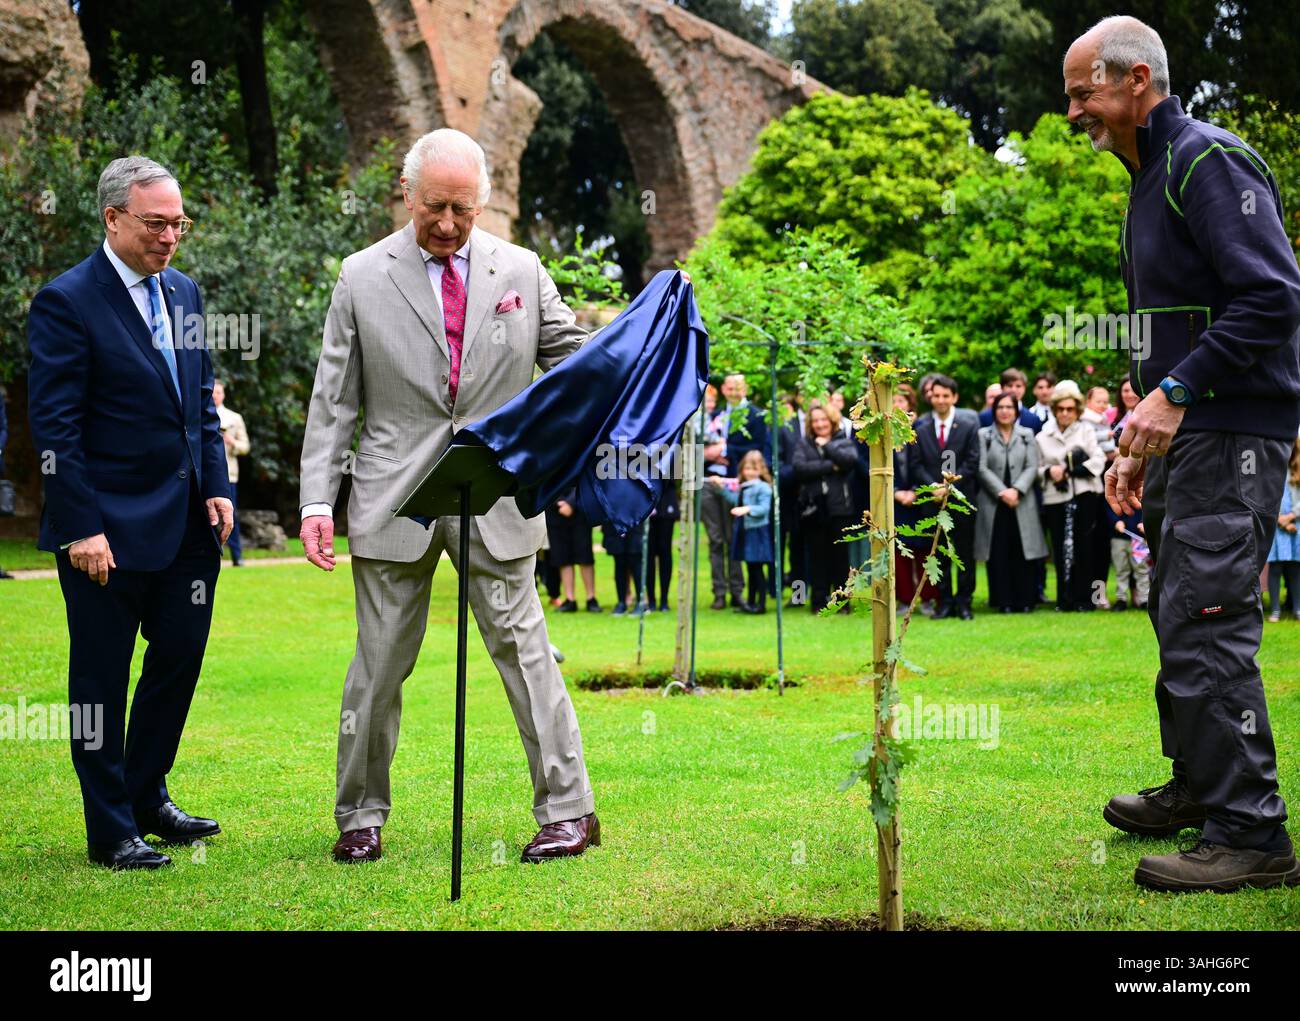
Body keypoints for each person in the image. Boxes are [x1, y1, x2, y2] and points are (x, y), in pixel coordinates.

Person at [299, 129, 598, 865]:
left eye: (463, 209)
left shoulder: (523, 270)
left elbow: (578, 361)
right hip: (391, 498)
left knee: (529, 655)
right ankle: (359, 814)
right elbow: (333, 401)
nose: (447, 223)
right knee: (377, 668)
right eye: (435, 206)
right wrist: (315, 501)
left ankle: (569, 810)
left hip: (494, 497)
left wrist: (648, 342)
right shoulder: (361, 275)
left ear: (482, 204)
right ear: (408, 194)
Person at [1068, 16, 1300, 890]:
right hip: (1187, 433)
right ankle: (1202, 787)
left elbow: (1274, 300)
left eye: (1082, 91)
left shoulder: (1209, 162)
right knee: (1177, 611)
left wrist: (1175, 394)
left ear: (1135, 79)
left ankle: (1252, 832)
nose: (1073, 111)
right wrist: (1140, 434)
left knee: (1209, 618)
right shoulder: (1149, 179)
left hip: (1233, 432)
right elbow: (1180, 329)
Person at [26, 156, 234, 870]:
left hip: (186, 528)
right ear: (113, 218)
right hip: (104, 531)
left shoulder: (184, 292)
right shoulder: (66, 301)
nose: (171, 235)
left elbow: (199, 404)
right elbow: (55, 428)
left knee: (177, 661)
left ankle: (148, 794)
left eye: (178, 222)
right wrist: (81, 524)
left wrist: (218, 484)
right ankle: (110, 826)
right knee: (100, 681)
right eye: (156, 222)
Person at [906, 374, 981, 619]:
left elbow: (972, 461)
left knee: (964, 553)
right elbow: (915, 465)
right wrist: (933, 487)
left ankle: (964, 602)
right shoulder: (921, 427)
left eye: (945, 396)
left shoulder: (969, 425)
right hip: (933, 502)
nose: (940, 400)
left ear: (954, 397)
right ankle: (945, 601)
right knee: (938, 552)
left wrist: (950, 487)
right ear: (930, 397)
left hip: (961, 499)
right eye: (936, 395)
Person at [975, 391, 1047, 612]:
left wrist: (1016, 490)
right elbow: (981, 467)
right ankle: (1002, 601)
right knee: (998, 552)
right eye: (1000, 407)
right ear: (994, 411)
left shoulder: (1027, 434)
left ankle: (1025, 600)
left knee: (1023, 551)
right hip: (994, 502)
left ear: (1017, 411)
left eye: (1009, 407)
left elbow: (1032, 466)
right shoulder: (983, 435)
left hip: (1021, 501)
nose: (1005, 411)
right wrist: (1002, 492)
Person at [1035, 381, 1104, 611]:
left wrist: (1072, 469)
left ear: (1077, 410)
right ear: (1055, 410)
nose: (1065, 413)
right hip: (1056, 496)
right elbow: (1035, 467)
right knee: (1060, 548)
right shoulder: (1043, 436)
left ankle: (1085, 600)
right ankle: (1063, 599)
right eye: (1061, 409)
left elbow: (1099, 459)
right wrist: (1049, 471)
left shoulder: (1086, 430)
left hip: (1084, 493)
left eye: (1070, 409)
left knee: (1084, 546)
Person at [701, 374, 768, 609]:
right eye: (730, 386)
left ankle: (737, 591)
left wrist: (727, 449)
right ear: (724, 389)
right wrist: (707, 453)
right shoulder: (714, 415)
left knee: (733, 537)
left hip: (736, 482)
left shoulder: (756, 415)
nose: (733, 390)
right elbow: (698, 445)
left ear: (745, 388)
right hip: (710, 480)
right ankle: (719, 592)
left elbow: (758, 448)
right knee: (716, 540)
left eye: (738, 386)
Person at [793, 402, 857, 613]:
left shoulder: (842, 440)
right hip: (813, 508)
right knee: (817, 556)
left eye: (823, 420)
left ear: (831, 421)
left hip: (840, 507)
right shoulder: (804, 443)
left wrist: (827, 447)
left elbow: (850, 461)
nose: (820, 424)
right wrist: (831, 466)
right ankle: (818, 601)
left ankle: (841, 602)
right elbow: (800, 468)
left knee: (839, 557)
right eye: (816, 421)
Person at [892, 384, 937, 613]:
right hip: (896, 501)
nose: (898, 405)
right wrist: (896, 492)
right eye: (894, 401)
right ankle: (904, 599)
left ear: (910, 403)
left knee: (924, 550)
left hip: (922, 500)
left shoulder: (924, 429)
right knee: (900, 551)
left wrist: (918, 491)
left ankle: (928, 598)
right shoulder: (882, 432)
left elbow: (929, 464)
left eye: (902, 401)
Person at [714, 449, 773, 614]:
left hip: (757, 533)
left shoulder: (763, 488)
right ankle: (750, 603)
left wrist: (747, 509)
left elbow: (763, 509)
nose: (749, 472)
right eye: (747, 468)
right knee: (750, 569)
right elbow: (735, 501)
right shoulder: (744, 487)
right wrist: (720, 488)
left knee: (757, 570)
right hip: (746, 532)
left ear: (761, 469)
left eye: (753, 469)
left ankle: (760, 605)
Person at [1083, 385, 1118, 608]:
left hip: (1108, 489)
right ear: (1088, 400)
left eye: (1106, 401)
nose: (1103, 405)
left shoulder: (1105, 421)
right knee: (1092, 544)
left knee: (1104, 545)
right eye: (1099, 401)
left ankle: (1100, 594)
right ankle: (1090, 595)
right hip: (1092, 489)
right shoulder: (1085, 423)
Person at [544, 486, 600, 613]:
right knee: (562, 557)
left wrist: (571, 502)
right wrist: (557, 501)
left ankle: (591, 598)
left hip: (580, 509)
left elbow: (585, 477)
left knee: (585, 556)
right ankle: (570, 599)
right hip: (554, 511)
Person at [212, 379, 249, 566]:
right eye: (212, 392)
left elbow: (245, 446)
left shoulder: (234, 418)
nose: (214, 395)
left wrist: (231, 442)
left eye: (218, 392)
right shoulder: (200, 413)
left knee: (230, 515)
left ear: (223, 394)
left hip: (229, 474)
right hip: (206, 473)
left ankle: (237, 556)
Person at [1265, 439, 1300, 623]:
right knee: (1275, 568)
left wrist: (1292, 517)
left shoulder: (1297, 470)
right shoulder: (1272, 469)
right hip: (1276, 526)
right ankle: (1276, 610)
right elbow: (1266, 496)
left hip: (1296, 526)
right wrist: (1282, 521)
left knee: (1295, 569)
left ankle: (1297, 609)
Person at [1105, 501, 1149, 612]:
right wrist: (1116, 521)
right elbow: (1108, 505)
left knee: (1142, 569)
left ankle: (1144, 599)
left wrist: (1144, 522)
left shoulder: (1142, 487)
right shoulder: (1115, 487)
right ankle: (1121, 599)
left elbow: (1150, 505)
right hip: (1118, 537)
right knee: (1121, 569)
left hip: (1139, 538)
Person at [645, 471, 679, 613]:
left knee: (665, 552)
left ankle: (664, 600)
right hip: (647, 501)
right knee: (649, 554)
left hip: (666, 502)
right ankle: (651, 600)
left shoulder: (672, 451)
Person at [978, 368, 1044, 433]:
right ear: (1002, 388)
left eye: (1018, 386)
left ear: (1024, 388)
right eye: (1010, 386)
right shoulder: (984, 417)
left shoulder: (1034, 420)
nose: (1013, 390)